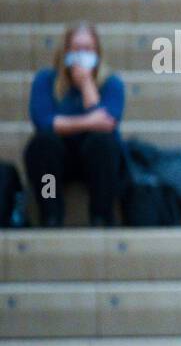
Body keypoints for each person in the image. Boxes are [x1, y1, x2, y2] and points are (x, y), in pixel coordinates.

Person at [24, 22, 127, 227]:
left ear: (97, 52)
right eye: (76, 49)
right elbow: (43, 122)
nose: (81, 55)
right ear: (65, 51)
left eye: (87, 49)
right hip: (56, 164)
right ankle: (50, 214)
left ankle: (101, 216)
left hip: (96, 164)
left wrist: (87, 84)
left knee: (104, 144)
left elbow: (107, 124)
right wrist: (90, 122)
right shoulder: (45, 80)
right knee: (43, 144)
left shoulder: (111, 83)